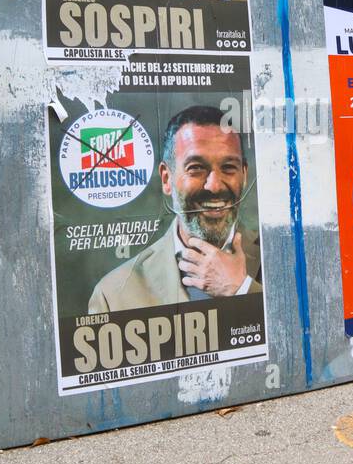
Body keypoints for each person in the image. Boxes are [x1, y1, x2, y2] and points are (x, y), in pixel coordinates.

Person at [88, 105, 261, 313]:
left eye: (229, 167)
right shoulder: (113, 295)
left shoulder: (282, 256)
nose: (214, 186)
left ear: (244, 175)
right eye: (196, 168)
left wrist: (241, 290)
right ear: (166, 178)